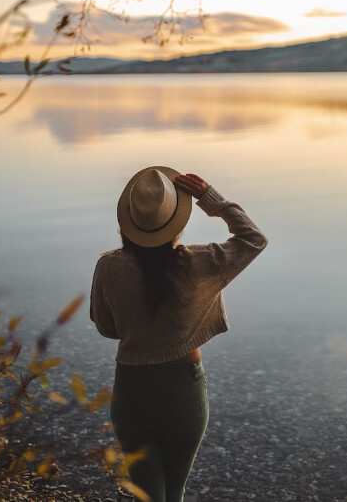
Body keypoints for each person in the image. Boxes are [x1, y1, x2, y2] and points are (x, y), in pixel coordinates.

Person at [89, 167, 268, 502]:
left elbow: (106, 327)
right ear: (177, 222)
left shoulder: (108, 267)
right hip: (182, 391)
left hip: (131, 389)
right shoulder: (200, 263)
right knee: (175, 490)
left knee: (148, 493)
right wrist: (212, 199)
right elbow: (254, 239)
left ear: (127, 220)